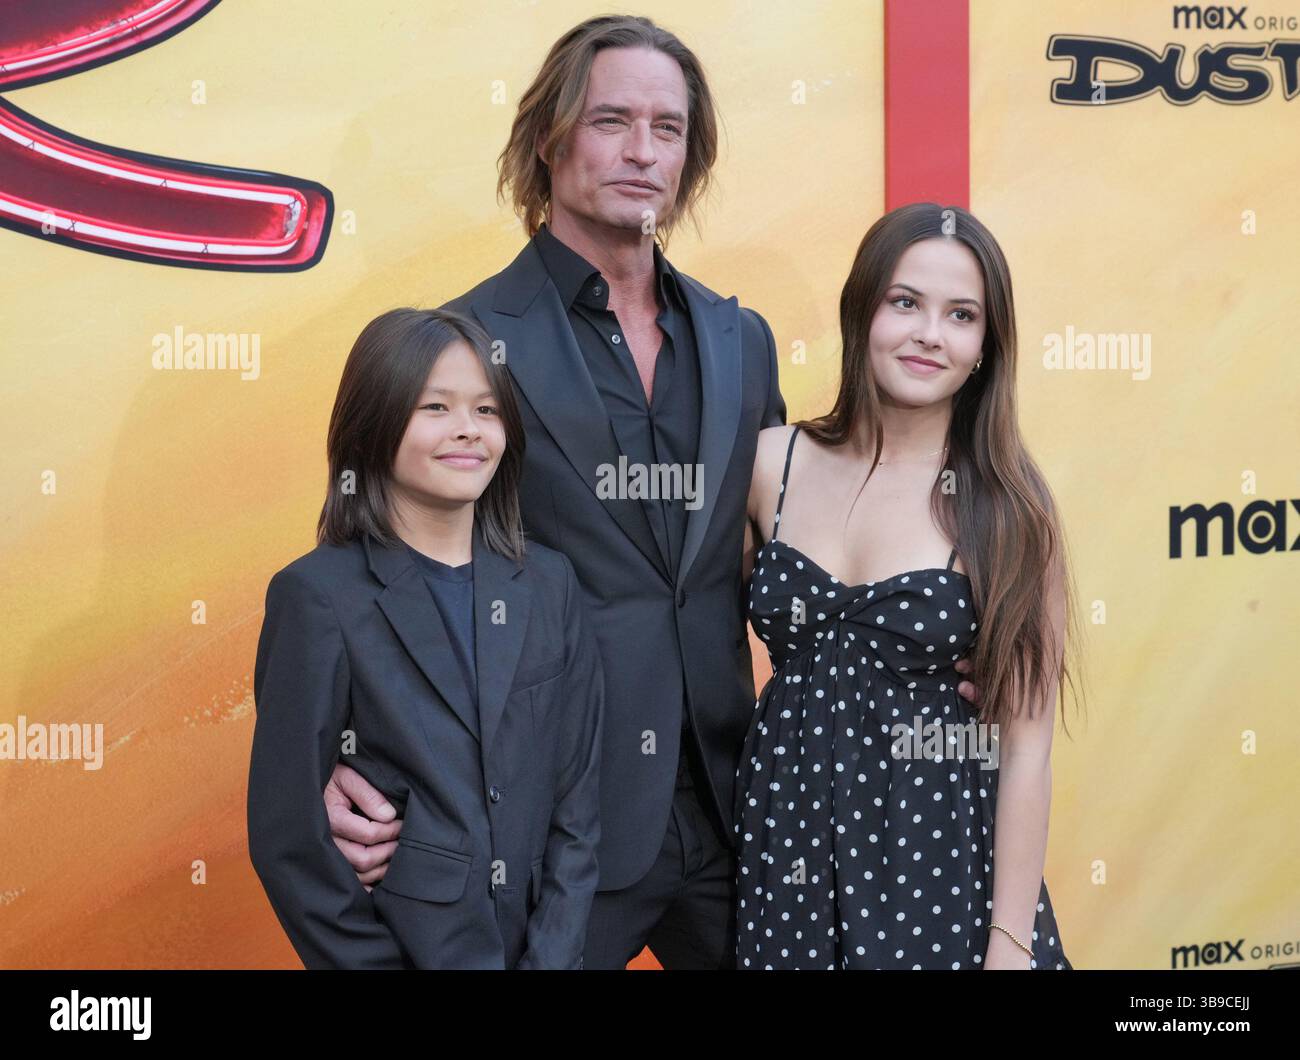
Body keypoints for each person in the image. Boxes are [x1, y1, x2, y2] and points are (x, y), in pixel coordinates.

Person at [321, 15, 980, 969]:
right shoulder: (467, 340)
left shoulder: (736, 338)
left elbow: (802, 535)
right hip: (550, 825)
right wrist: (342, 752)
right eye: (611, 121)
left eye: (667, 129)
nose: (642, 152)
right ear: (549, 138)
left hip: (741, 806)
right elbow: (374, 566)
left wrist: (947, 653)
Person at [737, 203, 1077, 970]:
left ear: (985, 348)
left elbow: (1026, 748)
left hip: (939, 866)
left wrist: (1010, 943)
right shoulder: (768, 466)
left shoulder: (1010, 508)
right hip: (784, 849)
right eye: (906, 302)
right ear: (863, 311)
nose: (930, 333)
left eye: (962, 315)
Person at [247, 307, 603, 969]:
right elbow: (290, 839)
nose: (468, 430)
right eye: (434, 406)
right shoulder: (318, 597)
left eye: (488, 410)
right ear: (374, 422)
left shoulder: (550, 584)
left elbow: (577, 806)